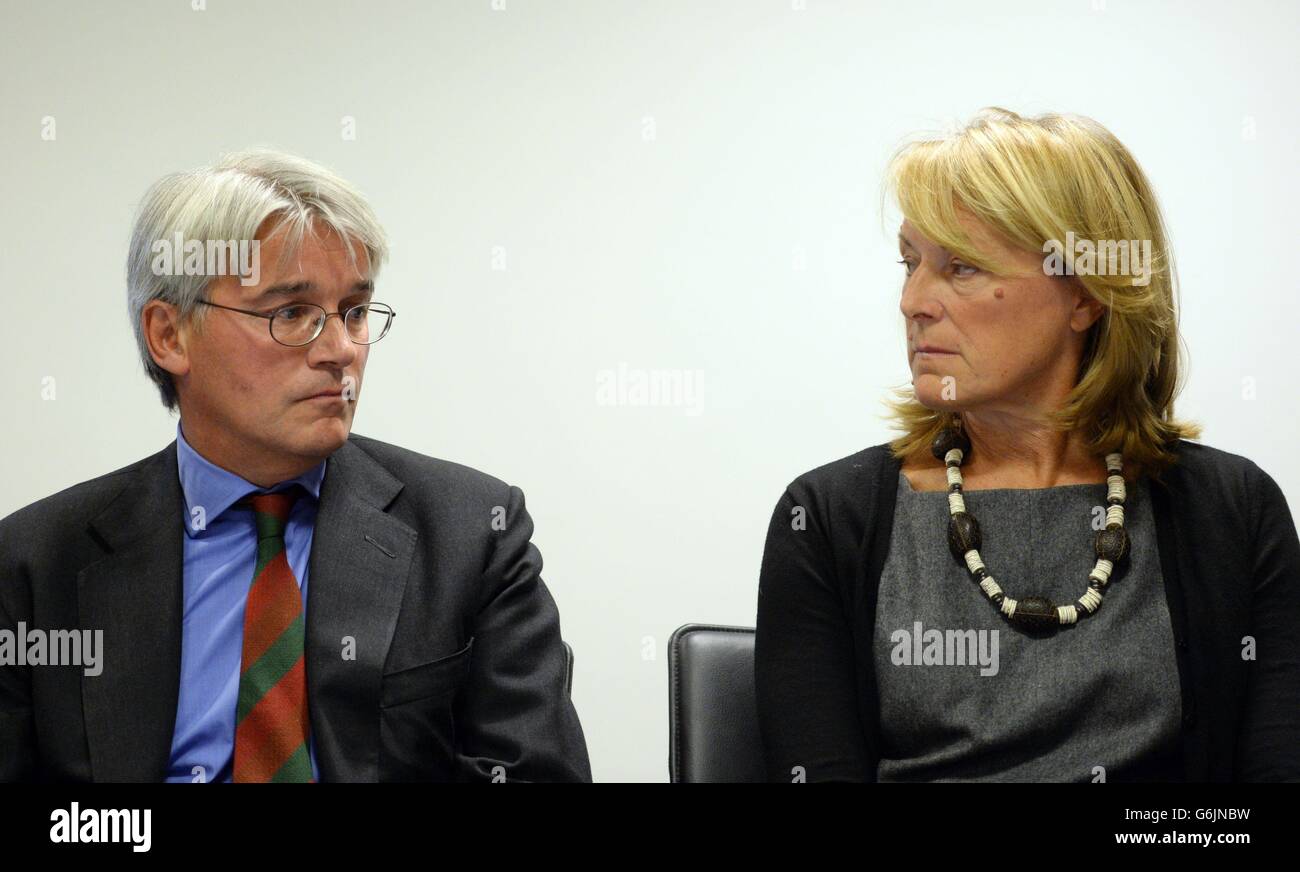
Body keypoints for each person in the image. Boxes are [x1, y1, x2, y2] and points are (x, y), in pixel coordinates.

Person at [0, 149, 592, 782]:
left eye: (356, 312)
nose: (340, 351)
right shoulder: (38, 563)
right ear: (169, 335)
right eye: (291, 314)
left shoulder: (472, 533)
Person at [754, 107, 1300, 782]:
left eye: (960, 267)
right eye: (909, 262)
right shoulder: (828, 518)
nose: (914, 301)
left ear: (1086, 296)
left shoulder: (1232, 511)